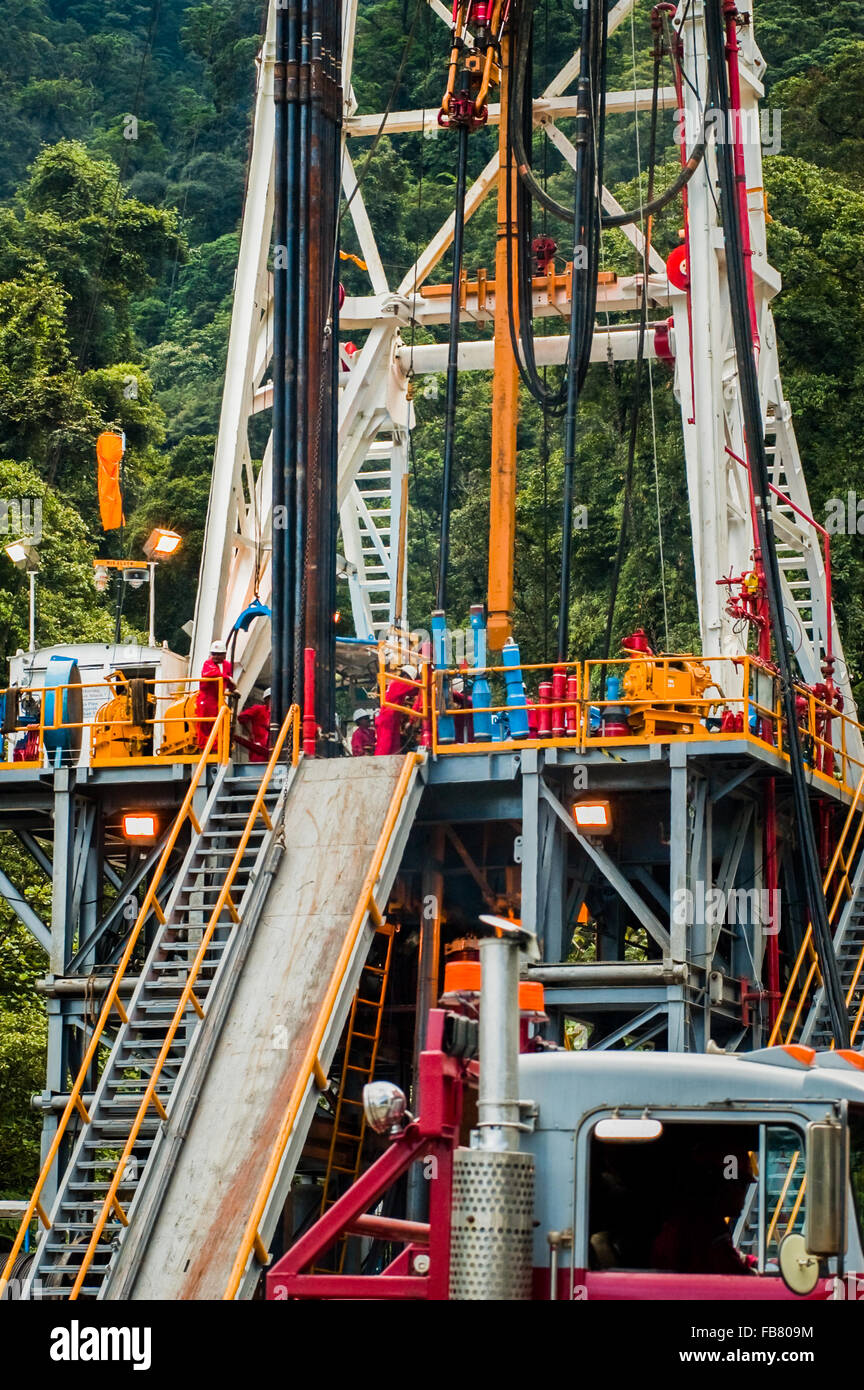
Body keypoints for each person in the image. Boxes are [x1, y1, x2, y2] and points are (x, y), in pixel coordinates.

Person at [375, 664, 423, 755]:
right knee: (385, 746)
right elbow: (417, 685)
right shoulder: (398, 682)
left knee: (394, 747)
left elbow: (413, 691)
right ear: (406, 676)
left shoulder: (398, 684)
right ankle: (379, 764)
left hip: (392, 720)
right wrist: (429, 680)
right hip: (387, 719)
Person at [196, 639, 234, 750]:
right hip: (207, 698)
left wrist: (233, 688)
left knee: (220, 722)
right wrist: (227, 678)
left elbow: (229, 680)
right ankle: (204, 746)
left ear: (224, 655)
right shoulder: (208, 663)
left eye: (218, 654)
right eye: (214, 654)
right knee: (205, 722)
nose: (215, 657)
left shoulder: (227, 665)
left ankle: (218, 746)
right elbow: (211, 674)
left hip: (219, 699)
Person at [237, 687, 271, 762]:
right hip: (259, 751)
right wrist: (250, 732)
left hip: (274, 752)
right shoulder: (258, 709)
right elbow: (242, 717)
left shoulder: (279, 715)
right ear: (265, 700)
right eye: (270, 699)